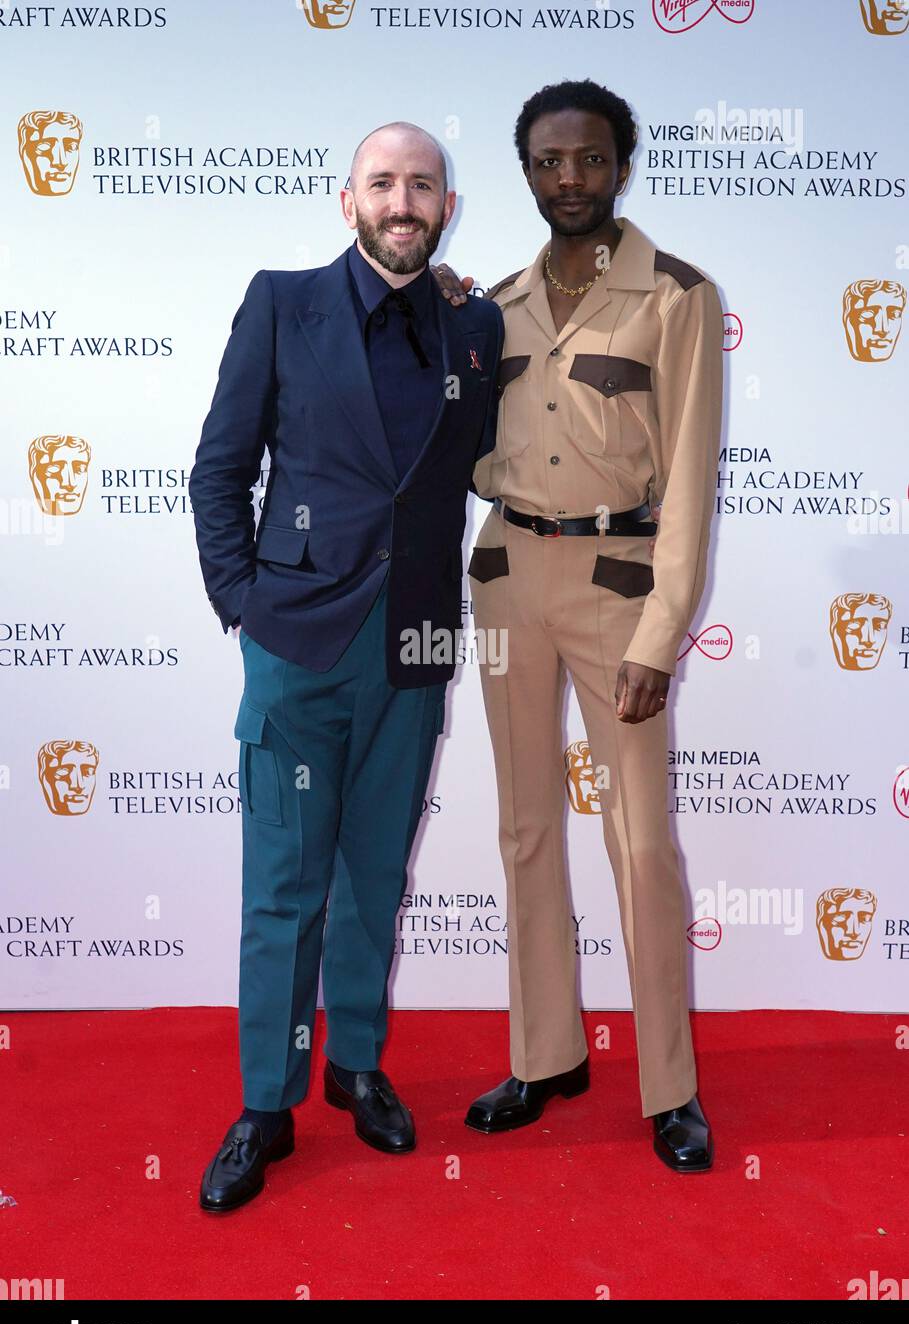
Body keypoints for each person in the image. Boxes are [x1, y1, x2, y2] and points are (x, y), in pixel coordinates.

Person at [189, 121, 503, 1211]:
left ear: (447, 207)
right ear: (347, 199)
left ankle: (356, 1067)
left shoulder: (474, 324)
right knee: (283, 888)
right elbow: (220, 468)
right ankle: (265, 1105)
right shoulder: (283, 302)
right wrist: (246, 606)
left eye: (423, 185)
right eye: (384, 183)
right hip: (298, 643)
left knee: (375, 875)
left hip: (413, 642)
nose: (402, 201)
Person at [435, 80, 724, 1172]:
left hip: (619, 580)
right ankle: (546, 1052)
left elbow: (690, 477)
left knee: (640, 841)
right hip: (508, 574)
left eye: (591, 159)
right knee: (524, 828)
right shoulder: (490, 305)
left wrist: (663, 630)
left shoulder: (678, 296)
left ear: (622, 164)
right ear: (526, 172)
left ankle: (670, 1086)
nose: (571, 179)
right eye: (551, 161)